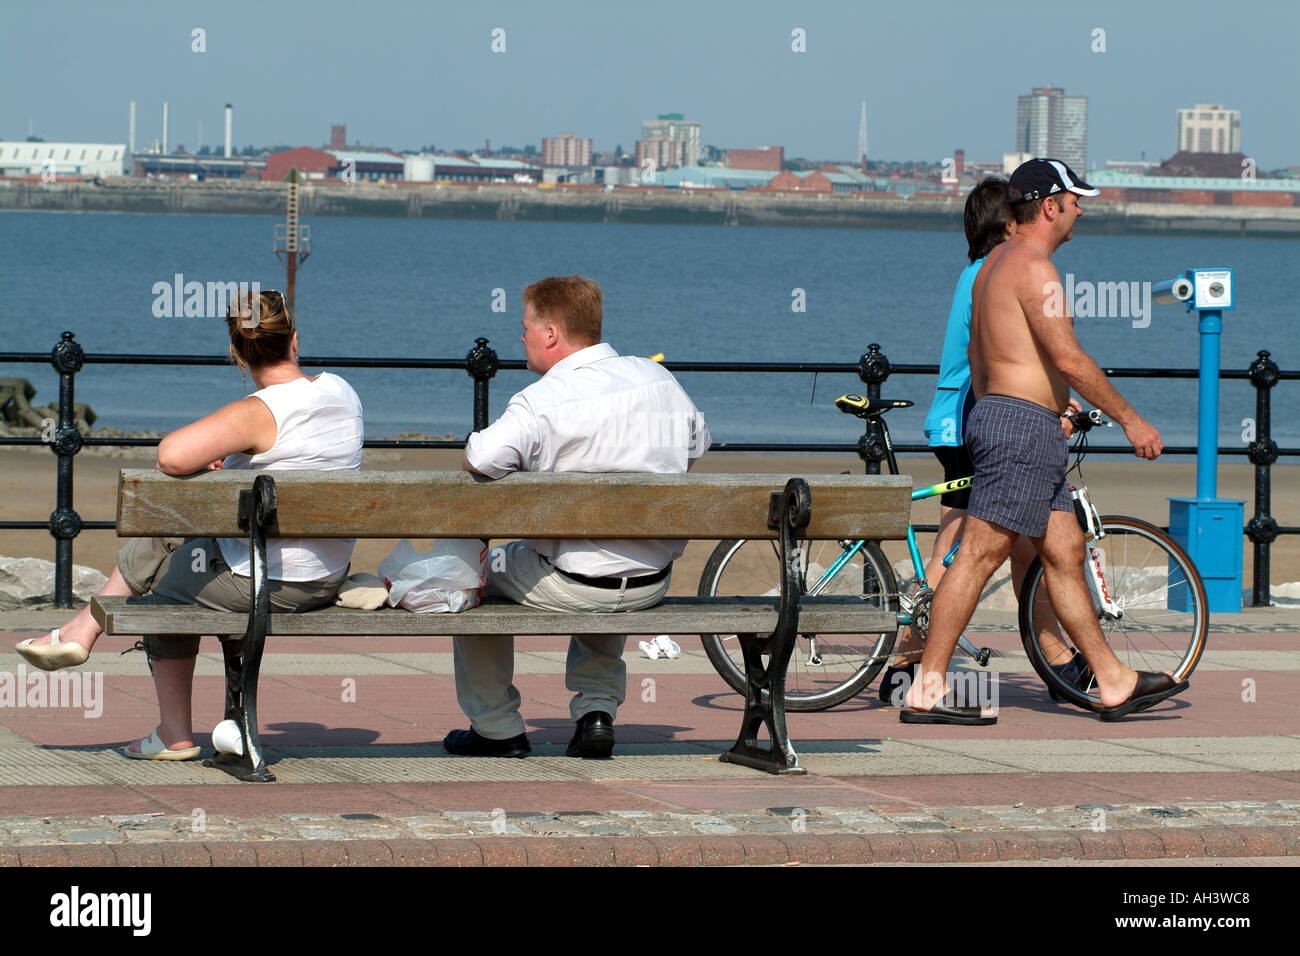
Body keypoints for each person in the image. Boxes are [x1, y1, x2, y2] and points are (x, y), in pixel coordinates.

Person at [16, 289, 364, 758]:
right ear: (294, 341)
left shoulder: (257, 412)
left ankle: (170, 731)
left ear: (238, 354)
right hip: (325, 576)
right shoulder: (341, 391)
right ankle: (84, 629)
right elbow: (299, 451)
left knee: (162, 585)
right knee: (184, 539)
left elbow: (171, 456)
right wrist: (238, 463)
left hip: (266, 585)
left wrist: (224, 459)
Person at [900, 158, 1186, 725]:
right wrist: (1131, 419)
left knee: (1064, 552)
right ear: (1049, 205)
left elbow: (983, 363)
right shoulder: (1035, 268)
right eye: (1077, 199)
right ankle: (926, 690)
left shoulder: (990, 268)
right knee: (980, 554)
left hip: (1010, 420)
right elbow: (1068, 356)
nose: (1082, 209)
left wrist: (1014, 408)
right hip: (1021, 429)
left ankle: (1111, 678)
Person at [446, 275, 710, 759]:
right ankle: (595, 713)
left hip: (572, 583)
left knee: (476, 576)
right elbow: (695, 449)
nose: (520, 337)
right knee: (608, 557)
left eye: (524, 326)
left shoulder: (541, 400)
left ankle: (496, 726)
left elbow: (480, 459)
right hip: (652, 580)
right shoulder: (658, 379)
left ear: (550, 334)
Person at [880, 178, 1083, 704]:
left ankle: (1055, 661)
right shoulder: (992, 276)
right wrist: (1046, 406)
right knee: (977, 548)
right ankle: (916, 662)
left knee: (1007, 545)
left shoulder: (977, 272)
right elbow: (993, 356)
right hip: (974, 419)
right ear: (1006, 224)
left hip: (955, 418)